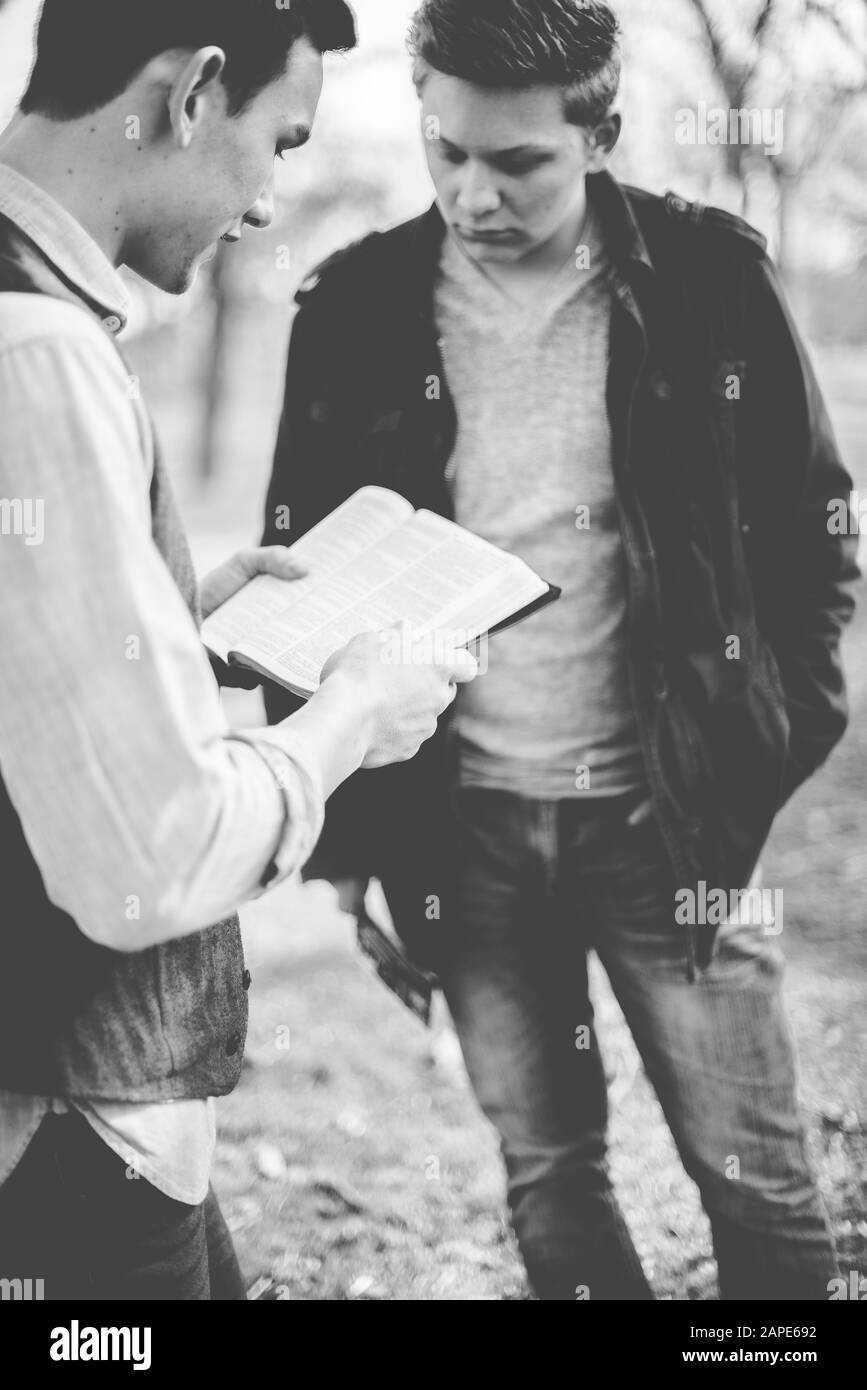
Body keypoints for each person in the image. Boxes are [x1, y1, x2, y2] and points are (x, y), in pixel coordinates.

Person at [262, 0, 860, 1299]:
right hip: (462, 840)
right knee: (550, 1173)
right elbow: (295, 594)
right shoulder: (352, 306)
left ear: (603, 134)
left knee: (757, 1178)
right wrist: (354, 846)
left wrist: (757, 752)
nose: (474, 192)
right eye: (446, 150)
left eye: (517, 162)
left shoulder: (714, 283)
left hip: (673, 827)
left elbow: (819, 545)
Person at [0, 0, 477, 1302]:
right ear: (193, 92)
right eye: (278, 141)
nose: (270, 202)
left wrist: (163, 614)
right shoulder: (38, 359)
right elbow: (150, 860)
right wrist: (351, 716)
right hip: (75, 1125)